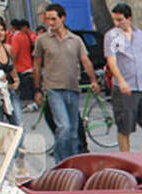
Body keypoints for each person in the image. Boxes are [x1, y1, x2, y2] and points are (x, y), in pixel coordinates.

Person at [33, 4, 98, 160]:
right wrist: (37, 89)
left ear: (62, 18)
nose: (50, 23)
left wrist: (93, 80)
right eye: (48, 19)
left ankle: (74, 162)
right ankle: (60, 161)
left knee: (74, 130)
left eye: (54, 19)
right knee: (64, 126)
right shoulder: (42, 40)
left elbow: (85, 60)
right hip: (53, 88)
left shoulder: (75, 40)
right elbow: (36, 64)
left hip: (72, 87)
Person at [105, 5, 142, 151]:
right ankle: (126, 157)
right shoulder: (111, 36)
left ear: (129, 18)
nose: (116, 23)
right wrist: (121, 81)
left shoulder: (139, 34)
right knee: (125, 127)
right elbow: (112, 60)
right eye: (114, 20)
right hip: (125, 87)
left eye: (120, 20)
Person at [10, 19, 35, 107]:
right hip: (29, 66)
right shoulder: (26, 35)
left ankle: (26, 105)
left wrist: (10, 64)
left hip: (20, 67)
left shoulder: (16, 37)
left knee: (22, 92)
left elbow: (14, 53)